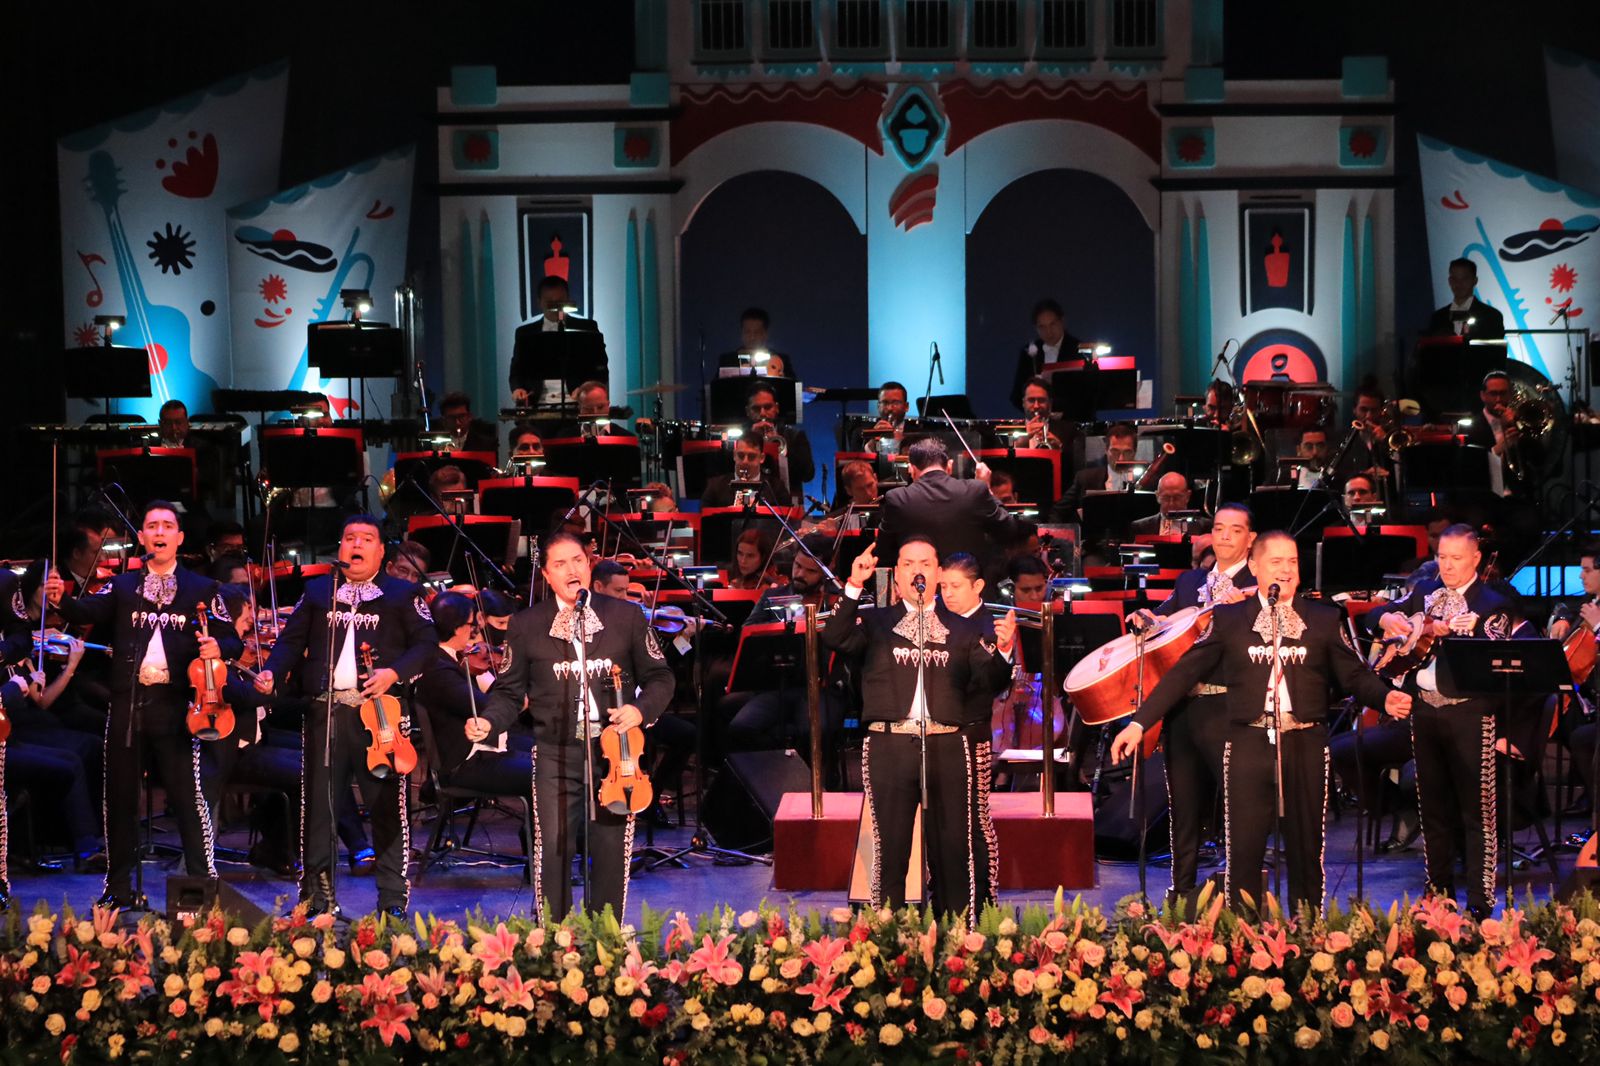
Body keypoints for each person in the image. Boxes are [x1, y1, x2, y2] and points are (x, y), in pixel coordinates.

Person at [1109, 531, 1411, 911]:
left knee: (1305, 849)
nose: (1285, 570)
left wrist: (1385, 696)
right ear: (1254, 567)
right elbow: (1184, 672)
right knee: (1244, 850)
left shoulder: (1321, 619)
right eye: (1276, 562)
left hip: (1304, 742)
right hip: (1248, 744)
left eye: (1292, 562)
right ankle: (1244, 940)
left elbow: (1354, 676)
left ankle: (1308, 931)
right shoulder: (1230, 618)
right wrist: (1140, 723)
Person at [47, 500, 243, 910]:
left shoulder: (203, 589)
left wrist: (216, 646)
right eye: (151, 525)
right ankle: (118, 888)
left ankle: (200, 885)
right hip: (128, 707)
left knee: (188, 800)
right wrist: (58, 599)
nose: (159, 532)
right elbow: (83, 610)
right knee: (119, 800)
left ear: (179, 537)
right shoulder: (123, 586)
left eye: (167, 526)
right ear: (142, 538)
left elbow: (233, 640)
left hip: (176, 708)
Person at [478, 532, 676, 920]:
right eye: (560, 564)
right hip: (555, 751)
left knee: (609, 849)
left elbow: (660, 678)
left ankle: (606, 940)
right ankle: (553, 936)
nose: (572, 570)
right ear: (547, 575)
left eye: (578, 561)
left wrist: (639, 710)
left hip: (616, 755)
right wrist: (487, 721)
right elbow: (507, 692)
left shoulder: (625, 616)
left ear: (588, 566)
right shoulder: (526, 624)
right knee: (553, 848)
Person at [249, 514, 438, 918]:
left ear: (380, 550)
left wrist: (394, 673)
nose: (357, 544)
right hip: (326, 712)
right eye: (349, 537)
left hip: (380, 718)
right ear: (340, 549)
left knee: (388, 808)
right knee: (320, 809)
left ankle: (392, 901)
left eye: (366, 538)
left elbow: (426, 644)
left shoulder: (402, 595)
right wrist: (271, 670)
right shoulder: (319, 591)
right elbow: (290, 641)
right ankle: (318, 898)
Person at [820, 539, 1014, 915]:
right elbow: (834, 637)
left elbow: (990, 682)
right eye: (908, 563)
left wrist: (1004, 652)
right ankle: (890, 942)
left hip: (947, 746)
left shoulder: (962, 628)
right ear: (896, 576)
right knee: (891, 848)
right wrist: (854, 586)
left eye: (925, 562)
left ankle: (959, 943)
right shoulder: (876, 622)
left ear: (938, 572)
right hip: (889, 744)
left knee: (953, 849)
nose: (917, 570)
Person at [1371, 524, 1530, 919]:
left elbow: (1500, 659)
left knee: (1477, 813)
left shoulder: (1495, 602)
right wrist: (1389, 616)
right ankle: (1437, 898)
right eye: (1442, 557)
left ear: (1476, 559)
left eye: (1456, 558)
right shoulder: (1425, 593)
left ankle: (1480, 903)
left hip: (1469, 712)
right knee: (1433, 809)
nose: (1448, 565)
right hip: (1425, 709)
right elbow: (1380, 610)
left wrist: (1464, 632)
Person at [1125, 503, 1257, 899]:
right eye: (1219, 528)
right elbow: (1167, 618)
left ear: (1251, 539)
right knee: (1183, 804)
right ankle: (1180, 893)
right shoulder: (1189, 581)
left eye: (1235, 530)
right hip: (1184, 706)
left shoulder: (1256, 582)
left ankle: (1240, 892)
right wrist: (1146, 618)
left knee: (1235, 805)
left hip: (1228, 707)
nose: (1225, 536)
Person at [414, 592, 533, 801]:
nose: (473, 631)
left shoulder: (451, 660)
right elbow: (487, 708)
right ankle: (535, 833)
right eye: (470, 625)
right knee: (545, 773)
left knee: (549, 755)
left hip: (485, 749)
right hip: (466, 763)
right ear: (458, 628)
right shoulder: (438, 670)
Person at [878, 438, 1015, 568]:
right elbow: (1009, 528)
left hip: (919, 587)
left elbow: (883, 552)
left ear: (911, 469)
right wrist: (987, 488)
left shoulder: (897, 498)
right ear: (950, 466)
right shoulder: (975, 491)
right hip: (967, 586)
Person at [509, 275, 608, 408]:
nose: (556, 307)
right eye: (550, 302)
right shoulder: (525, 333)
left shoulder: (587, 329)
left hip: (579, 405)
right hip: (538, 404)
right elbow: (516, 372)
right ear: (539, 302)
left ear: (567, 299)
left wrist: (586, 389)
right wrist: (517, 389)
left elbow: (600, 369)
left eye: (560, 301)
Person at [1055, 422, 1140, 519]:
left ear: (1135, 451)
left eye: (1127, 452)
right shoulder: (1085, 479)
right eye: (1115, 452)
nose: (1121, 459)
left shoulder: (1148, 482)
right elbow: (1057, 512)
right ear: (1106, 450)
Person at [1009, 299, 1080, 411]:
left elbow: (1084, 394)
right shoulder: (1028, 353)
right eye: (1042, 327)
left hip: (1072, 421)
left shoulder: (1078, 350)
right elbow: (1017, 395)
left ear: (1062, 321)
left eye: (1052, 324)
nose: (1049, 332)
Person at [745, 381, 814, 494]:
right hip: (750, 498)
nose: (762, 413)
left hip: (789, 501)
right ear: (748, 411)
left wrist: (782, 449)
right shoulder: (739, 439)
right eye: (756, 409)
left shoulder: (795, 436)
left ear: (776, 408)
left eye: (767, 407)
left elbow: (808, 475)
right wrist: (750, 442)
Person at [1425, 257, 1506, 342]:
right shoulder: (1437, 318)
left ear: (1475, 280)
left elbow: (1494, 352)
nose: (1459, 284)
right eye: (1454, 279)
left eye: (1465, 279)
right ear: (1449, 281)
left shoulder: (1492, 316)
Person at [701, 435, 789, 510]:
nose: (745, 461)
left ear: (761, 458)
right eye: (741, 455)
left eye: (751, 456)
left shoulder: (776, 488)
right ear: (734, 455)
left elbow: (787, 520)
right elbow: (704, 520)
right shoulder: (715, 486)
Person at [718, 307, 796, 378]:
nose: (752, 337)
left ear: (765, 334)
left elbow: (794, 388)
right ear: (742, 333)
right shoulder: (727, 360)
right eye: (747, 332)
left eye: (757, 332)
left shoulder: (781, 361)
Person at [1018, 375, 1079, 461]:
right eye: (1031, 400)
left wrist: (1060, 449)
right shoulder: (1009, 430)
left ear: (1050, 403)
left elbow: (1077, 466)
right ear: (1023, 403)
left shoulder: (1068, 430)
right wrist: (1018, 444)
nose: (1036, 406)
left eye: (1041, 400)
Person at [1129, 472, 1210, 537]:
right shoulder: (1140, 528)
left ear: (1187, 496)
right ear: (1157, 496)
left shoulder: (1205, 526)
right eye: (1166, 497)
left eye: (1177, 497)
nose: (1171, 503)